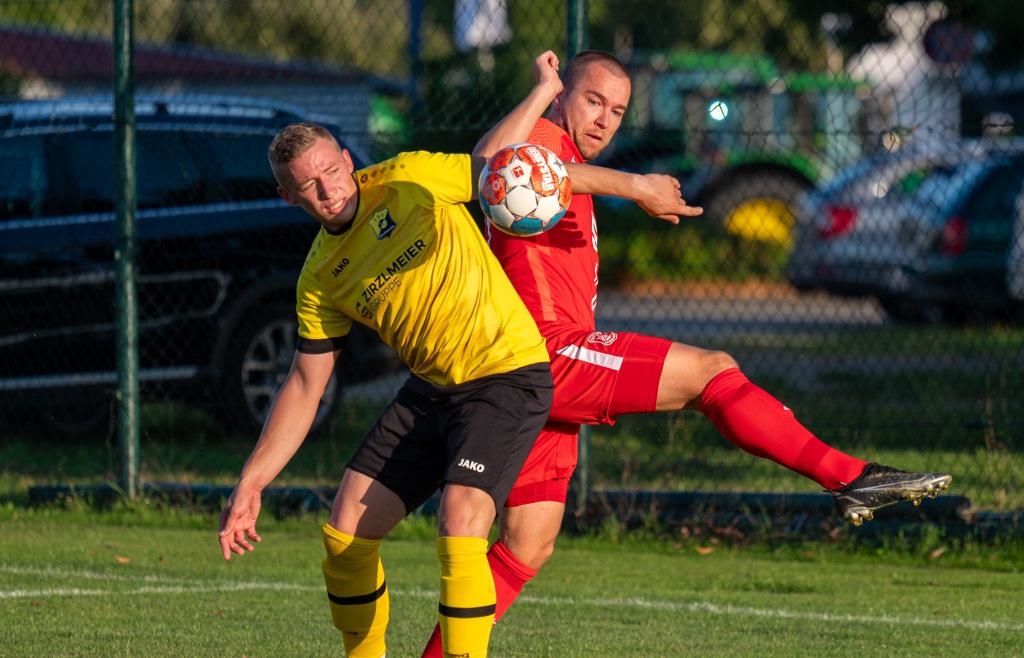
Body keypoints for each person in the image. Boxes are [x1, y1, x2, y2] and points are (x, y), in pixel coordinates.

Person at [421, 49, 952, 656]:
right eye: (592, 100)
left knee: (527, 545)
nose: (603, 120)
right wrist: (549, 99)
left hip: (538, 378)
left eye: (617, 110)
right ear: (565, 94)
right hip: (545, 352)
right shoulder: (540, 142)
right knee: (712, 371)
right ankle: (848, 476)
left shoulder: (568, 162)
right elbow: (490, 165)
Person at [216, 118, 558, 657]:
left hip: (506, 373)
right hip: (432, 389)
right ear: (287, 196)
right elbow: (306, 384)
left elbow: (512, 173)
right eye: (309, 185)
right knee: (345, 532)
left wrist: (636, 186)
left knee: (461, 518)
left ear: (348, 159)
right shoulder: (321, 276)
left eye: (331, 170)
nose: (328, 189)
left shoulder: (410, 177)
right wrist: (252, 481)